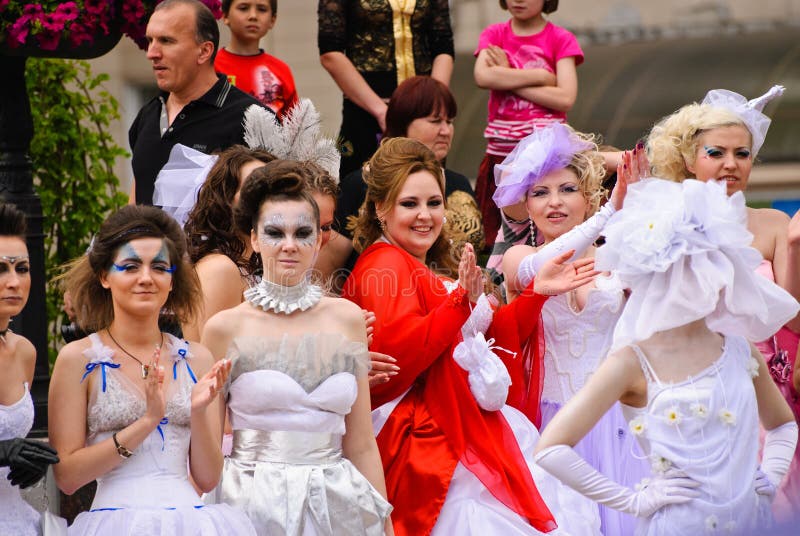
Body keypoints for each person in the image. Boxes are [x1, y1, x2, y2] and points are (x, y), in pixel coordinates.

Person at [341, 137, 604, 536]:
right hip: (429, 437)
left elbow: (493, 337)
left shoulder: (417, 264)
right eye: (409, 204)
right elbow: (399, 357)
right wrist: (459, 303)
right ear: (380, 208)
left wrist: (536, 293)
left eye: (434, 202)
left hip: (461, 420)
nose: (425, 215)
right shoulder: (385, 264)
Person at [535, 176, 800, 535]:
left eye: (711, 262)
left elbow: (783, 425)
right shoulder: (632, 361)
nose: (704, 276)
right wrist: (633, 501)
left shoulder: (738, 347)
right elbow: (551, 448)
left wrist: (770, 474)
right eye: (687, 266)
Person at [198, 161, 393, 534]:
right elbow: (205, 446)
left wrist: (384, 524)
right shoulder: (224, 327)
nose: (289, 244)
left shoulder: (349, 319)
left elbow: (362, 445)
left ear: (319, 240)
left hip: (335, 503)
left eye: (303, 232)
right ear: (254, 238)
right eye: (275, 232)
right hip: (248, 506)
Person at [49, 205, 255, 534]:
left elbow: (208, 478)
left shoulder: (198, 358)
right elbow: (68, 477)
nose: (146, 278)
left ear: (173, 280)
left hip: (191, 520)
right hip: (113, 520)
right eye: (130, 266)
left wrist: (200, 412)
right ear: (105, 275)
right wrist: (146, 423)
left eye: (159, 267)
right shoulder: (78, 359)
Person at [647, 85, 800, 518]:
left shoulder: (773, 223)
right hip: (700, 391)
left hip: (770, 391)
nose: (731, 164)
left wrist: (795, 243)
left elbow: (792, 319)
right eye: (716, 152)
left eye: (743, 154)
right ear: (689, 159)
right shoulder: (670, 224)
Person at [498, 123, 649, 535]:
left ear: (588, 195)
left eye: (567, 189)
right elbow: (545, 266)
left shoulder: (618, 257)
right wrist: (609, 211)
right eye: (540, 193)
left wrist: (622, 203)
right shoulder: (518, 257)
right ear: (526, 206)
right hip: (548, 422)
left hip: (617, 420)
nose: (554, 203)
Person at [330, 75, 483, 281]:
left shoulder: (460, 183)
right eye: (435, 120)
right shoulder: (362, 183)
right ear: (403, 123)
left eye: (450, 121)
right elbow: (328, 267)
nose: (446, 130)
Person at [130, 0, 270, 205]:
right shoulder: (148, 114)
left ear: (204, 51)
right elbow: (137, 195)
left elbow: (266, 211)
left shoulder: (251, 118)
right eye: (150, 40)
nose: (152, 53)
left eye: (166, 41)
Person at [473, 0, 583, 249]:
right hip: (499, 159)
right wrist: (542, 77)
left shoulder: (560, 38)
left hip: (547, 164)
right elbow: (482, 76)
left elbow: (565, 98)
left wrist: (507, 75)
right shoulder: (495, 34)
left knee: (548, 237)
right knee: (494, 241)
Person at [318, 0, 455, 177]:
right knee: (361, 183)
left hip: (423, 113)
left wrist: (434, 104)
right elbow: (330, 52)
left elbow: (443, 46)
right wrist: (382, 112)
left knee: (429, 178)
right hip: (365, 107)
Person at [0, 204, 60, 535]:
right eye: (0, 269)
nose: (14, 282)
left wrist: (32, 459)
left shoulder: (24, 352)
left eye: (22, 268)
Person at [182, 145, 275, 341]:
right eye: (254, 187)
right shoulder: (220, 268)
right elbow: (212, 358)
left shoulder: (244, 265)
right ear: (226, 198)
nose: (267, 198)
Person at [216, 0, 299, 120]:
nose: (253, 16)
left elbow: (295, 127)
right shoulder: (209, 67)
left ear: (272, 20)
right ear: (225, 15)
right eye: (243, 8)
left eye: (262, 9)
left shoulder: (281, 70)